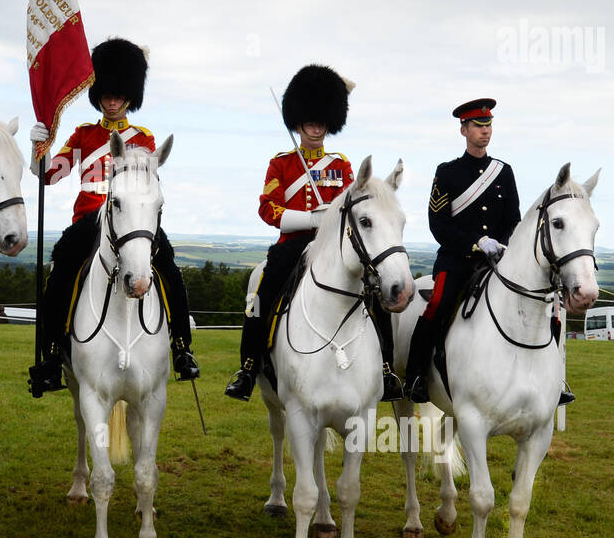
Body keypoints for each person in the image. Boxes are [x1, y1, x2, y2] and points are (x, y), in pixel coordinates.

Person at [27, 37, 198, 394]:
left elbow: (147, 186)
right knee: (60, 274)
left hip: (131, 223)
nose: (112, 99)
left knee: (168, 268)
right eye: (107, 92)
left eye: (119, 93)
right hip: (89, 220)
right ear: (99, 94)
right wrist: (37, 146)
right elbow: (49, 175)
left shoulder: (144, 138)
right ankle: (53, 355)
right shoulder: (83, 134)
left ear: (130, 96)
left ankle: (181, 347)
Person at [225, 65, 399, 402]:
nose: (315, 126)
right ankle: (248, 367)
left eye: (321, 120)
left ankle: (386, 369)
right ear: (298, 122)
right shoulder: (282, 164)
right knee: (262, 295)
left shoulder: (342, 165)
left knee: (373, 294)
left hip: (334, 249)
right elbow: (268, 209)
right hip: (292, 246)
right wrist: (309, 219)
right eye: (309, 120)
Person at [402, 98, 573, 404]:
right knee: (437, 304)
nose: (485, 131)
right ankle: (415, 376)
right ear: (464, 130)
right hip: (457, 259)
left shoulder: (503, 171)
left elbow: (513, 219)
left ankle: (555, 381)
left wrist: (503, 244)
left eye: (489, 125)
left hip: (499, 260)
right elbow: (438, 224)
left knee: (546, 303)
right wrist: (476, 243)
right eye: (478, 126)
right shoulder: (447, 173)